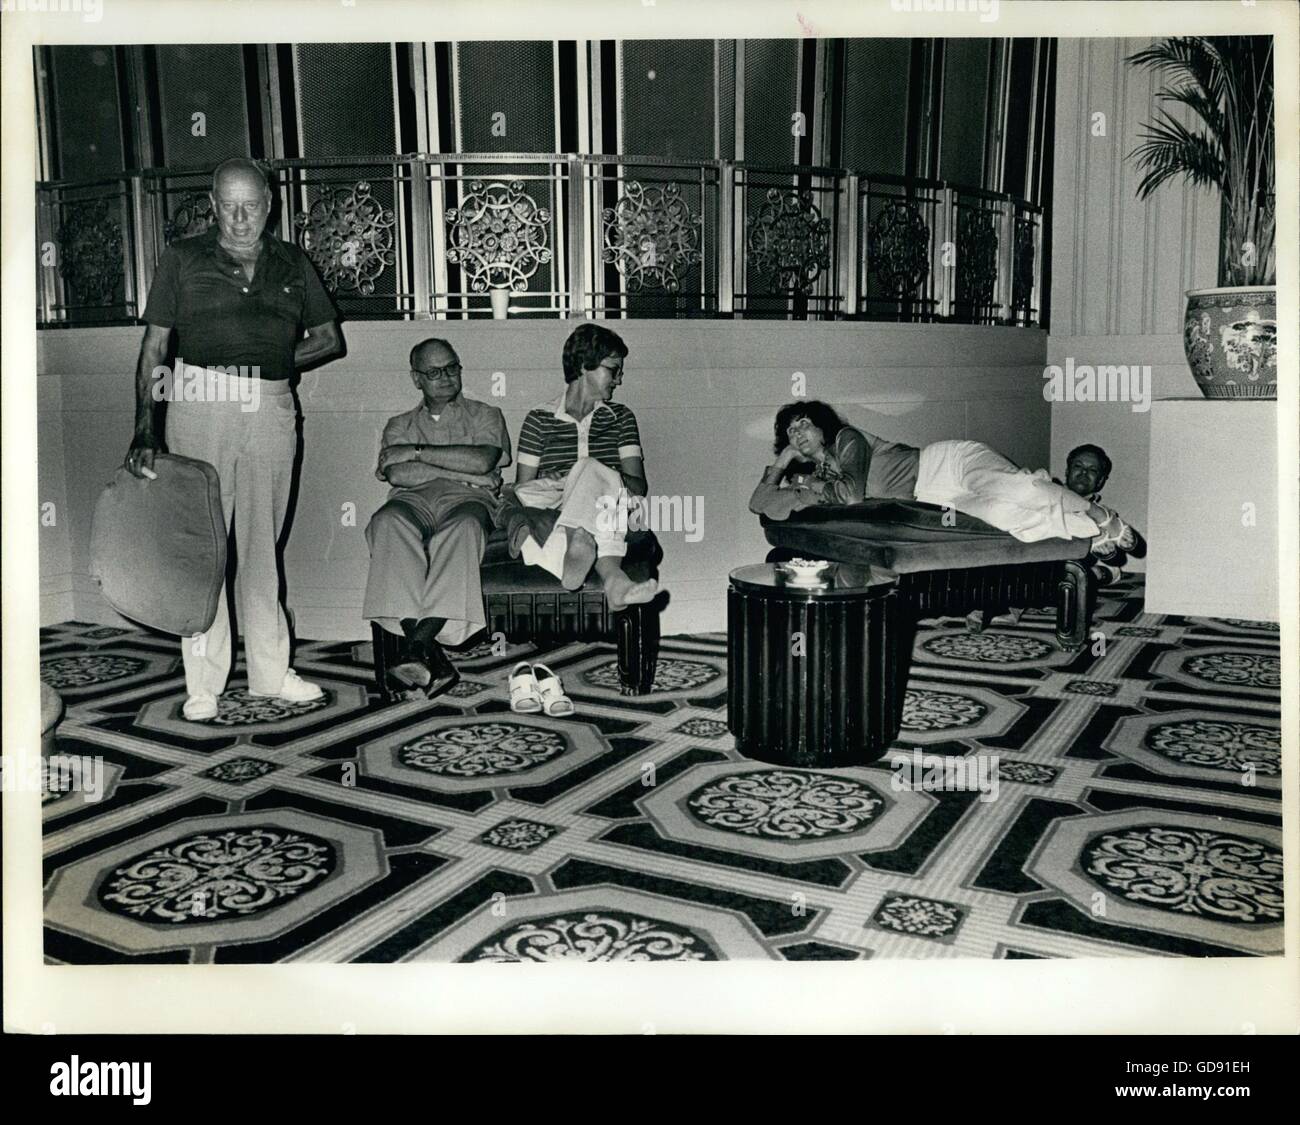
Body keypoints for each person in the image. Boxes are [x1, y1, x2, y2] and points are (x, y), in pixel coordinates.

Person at [124, 156, 342, 721]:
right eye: (229, 206)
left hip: (270, 406)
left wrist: (271, 366)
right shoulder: (182, 258)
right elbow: (154, 351)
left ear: (269, 205)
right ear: (213, 205)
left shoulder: (294, 261)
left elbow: (328, 338)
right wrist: (145, 428)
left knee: (262, 546)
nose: (241, 218)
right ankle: (203, 682)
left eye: (252, 206)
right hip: (198, 399)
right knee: (205, 545)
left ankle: (271, 673)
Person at [749, 400, 1138, 555]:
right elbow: (760, 504)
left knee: (1016, 487)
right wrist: (782, 462)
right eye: (790, 431)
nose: (798, 433)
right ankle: (1086, 531)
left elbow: (850, 495)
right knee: (1004, 516)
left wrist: (810, 486)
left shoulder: (846, 440)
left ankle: (1106, 519)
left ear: (822, 426)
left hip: (947, 463)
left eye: (803, 425)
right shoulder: (816, 472)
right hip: (936, 498)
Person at [364, 339, 511, 697]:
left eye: (452, 368)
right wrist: (469, 472)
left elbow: (482, 461)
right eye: (434, 372)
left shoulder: (485, 414)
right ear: (416, 378)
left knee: (462, 529)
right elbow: (398, 476)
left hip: (468, 500)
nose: (445, 377)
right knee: (386, 522)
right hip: (412, 501)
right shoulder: (397, 423)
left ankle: (417, 648)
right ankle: (429, 654)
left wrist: (416, 453)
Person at [501, 324, 658, 610]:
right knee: (576, 476)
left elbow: (638, 487)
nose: (619, 380)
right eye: (613, 370)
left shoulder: (621, 418)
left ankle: (575, 545)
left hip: (611, 503)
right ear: (586, 365)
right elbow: (524, 491)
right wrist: (563, 480)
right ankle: (613, 579)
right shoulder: (539, 419)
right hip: (554, 503)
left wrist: (599, 474)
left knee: (590, 469)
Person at [1060, 443, 1145, 587]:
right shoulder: (1048, 492)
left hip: (1066, 567)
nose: (1084, 473)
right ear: (1067, 471)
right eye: (1078, 466)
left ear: (1100, 480)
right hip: (1045, 556)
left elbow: (1115, 566)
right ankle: (1094, 525)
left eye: (1092, 470)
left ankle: (1089, 573)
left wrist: (1101, 572)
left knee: (1113, 570)